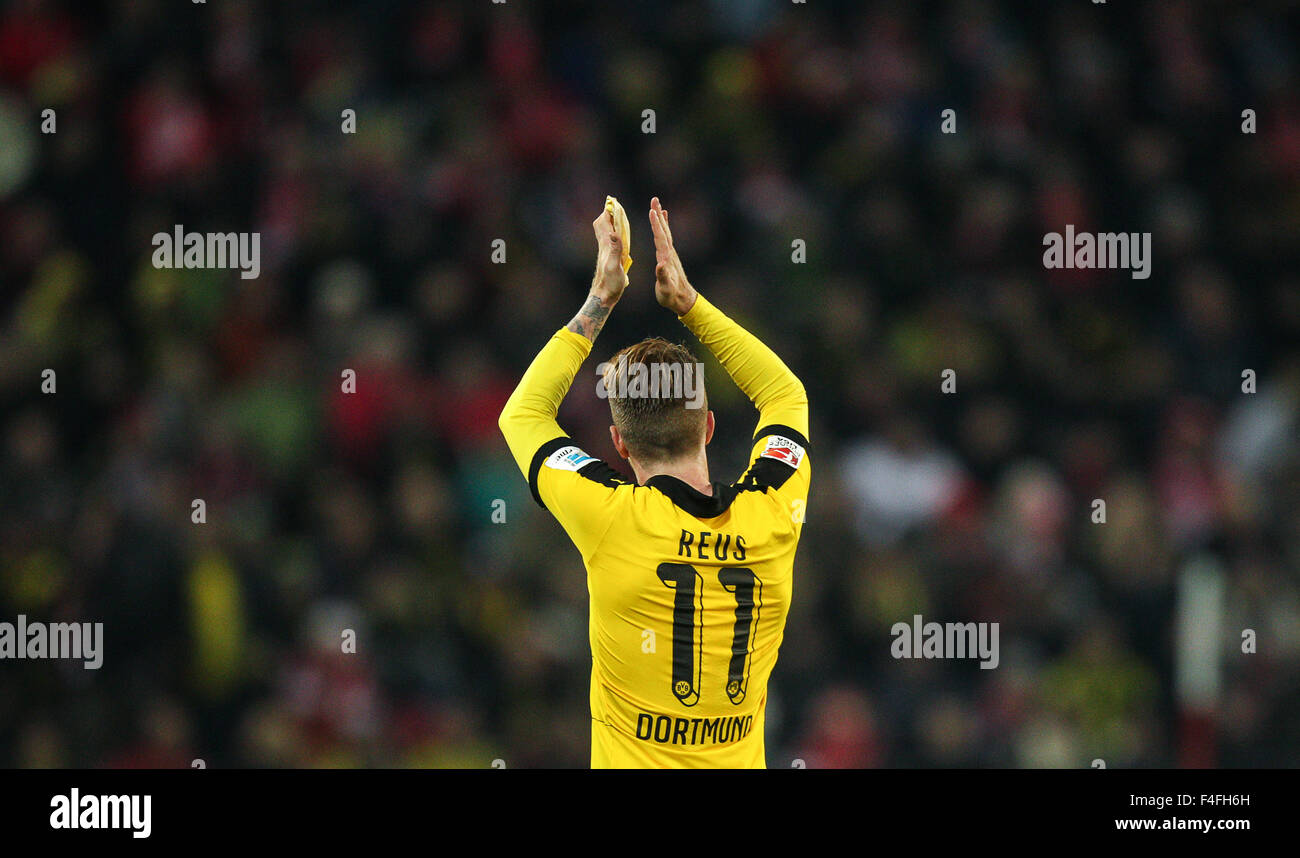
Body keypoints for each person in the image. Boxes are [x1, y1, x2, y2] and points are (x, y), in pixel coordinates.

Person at [499, 197, 810, 767]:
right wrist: (689, 304)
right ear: (710, 427)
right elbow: (785, 395)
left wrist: (600, 298)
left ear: (618, 444)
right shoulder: (773, 512)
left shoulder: (609, 515)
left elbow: (522, 416)